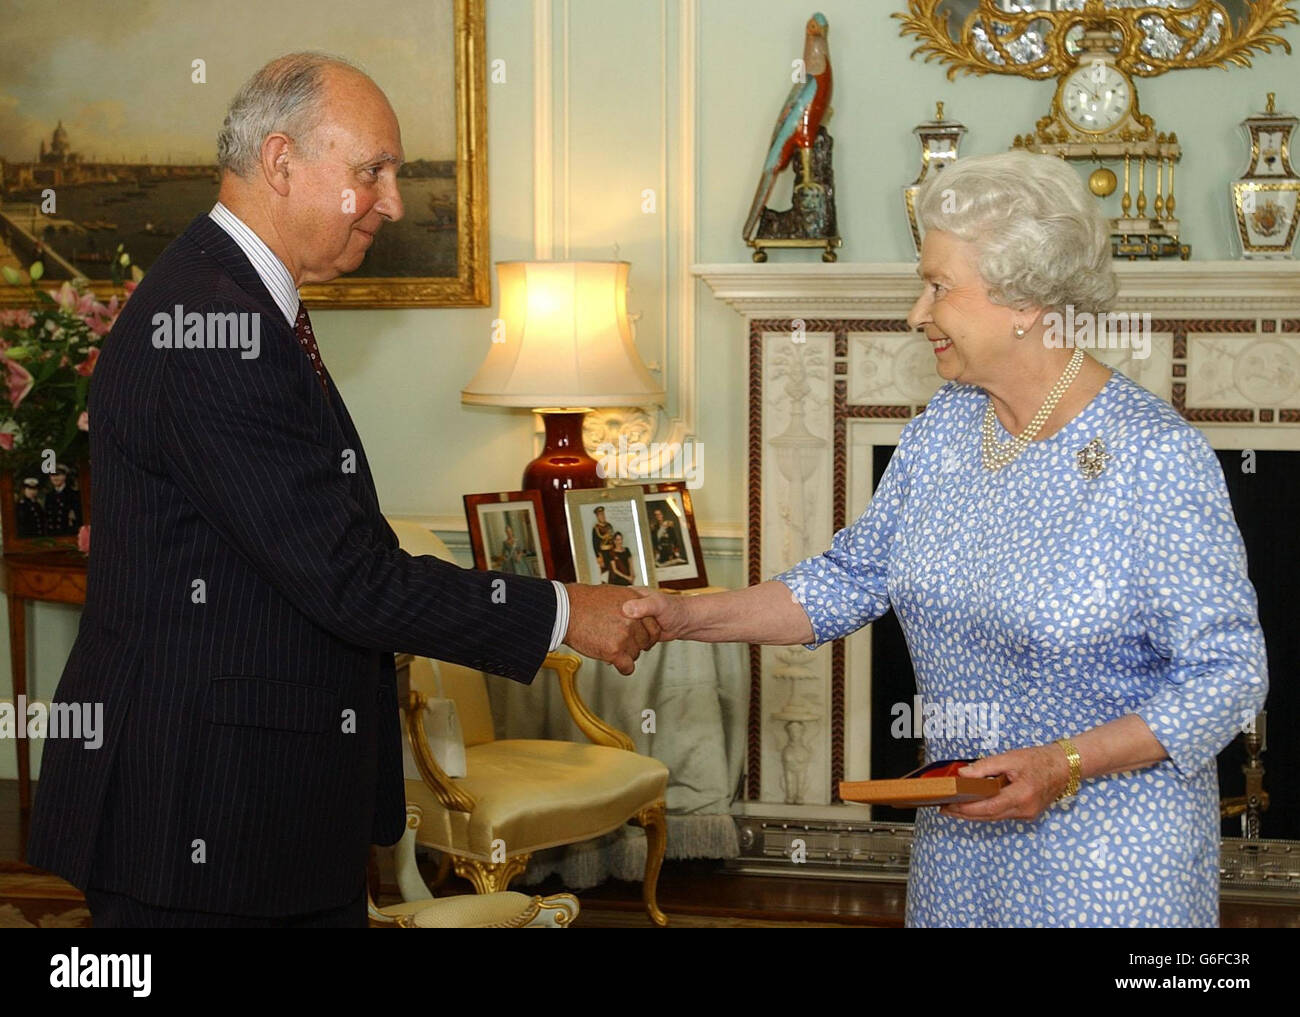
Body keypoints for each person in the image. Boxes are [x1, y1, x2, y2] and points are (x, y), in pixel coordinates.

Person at [27, 52, 657, 929]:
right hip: (199, 822)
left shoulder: (242, 298)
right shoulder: (219, 325)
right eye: (373, 171)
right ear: (282, 162)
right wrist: (562, 610)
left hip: (252, 811)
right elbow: (348, 578)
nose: (394, 201)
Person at [625, 150, 1268, 928]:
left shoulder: (1153, 456)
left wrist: (1062, 764)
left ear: (1025, 298)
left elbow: (1228, 675)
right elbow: (849, 578)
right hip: (962, 841)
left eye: (938, 285)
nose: (916, 313)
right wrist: (685, 614)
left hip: (1111, 855)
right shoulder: (947, 426)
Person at [44, 464, 81, 535]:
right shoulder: (49, 496)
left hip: (69, 535)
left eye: (58, 475)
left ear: (65, 476)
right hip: (52, 536)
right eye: (52, 475)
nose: (55, 478)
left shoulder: (74, 495)